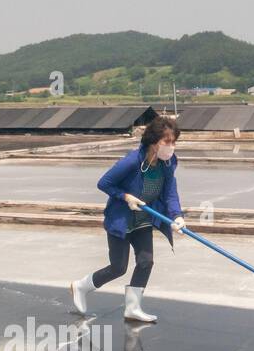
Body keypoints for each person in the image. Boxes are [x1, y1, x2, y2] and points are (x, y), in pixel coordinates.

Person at [71, 116, 185, 323]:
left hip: (142, 220)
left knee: (146, 261)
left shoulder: (168, 163)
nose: (171, 147)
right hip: (122, 220)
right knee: (118, 267)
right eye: (167, 142)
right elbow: (104, 183)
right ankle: (81, 286)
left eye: (174, 141)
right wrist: (125, 197)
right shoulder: (133, 161)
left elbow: (170, 192)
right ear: (154, 141)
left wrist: (177, 216)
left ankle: (133, 308)